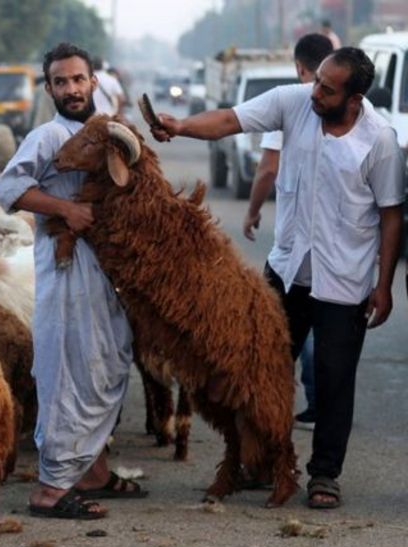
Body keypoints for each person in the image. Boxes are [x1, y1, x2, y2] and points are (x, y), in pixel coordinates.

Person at [151, 47, 405, 509]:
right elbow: (231, 120)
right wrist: (183, 126)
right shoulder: (293, 103)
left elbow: (391, 215)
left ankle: (324, 475)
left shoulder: (379, 141)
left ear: (353, 99)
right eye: (317, 81)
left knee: (333, 380)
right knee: (256, 370)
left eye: (328, 89)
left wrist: (384, 284)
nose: (316, 92)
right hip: (286, 271)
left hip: (344, 284)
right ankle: (258, 462)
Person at [0, 43, 145, 521]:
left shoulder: (109, 134)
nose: (71, 89)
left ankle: (93, 472)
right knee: (67, 374)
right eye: (61, 82)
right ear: (50, 89)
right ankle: (51, 490)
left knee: (106, 364)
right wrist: (66, 209)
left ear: (93, 82)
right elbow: (7, 189)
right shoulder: (47, 136)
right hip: (64, 274)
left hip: (104, 273)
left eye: (78, 80)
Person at [243, 33, 333, 432]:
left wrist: (252, 211)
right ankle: (315, 406)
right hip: (333, 256)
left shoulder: (296, 102)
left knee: (279, 343)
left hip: (297, 257)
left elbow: (267, 168)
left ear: (300, 67)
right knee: (318, 336)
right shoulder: (349, 107)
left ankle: (276, 418)